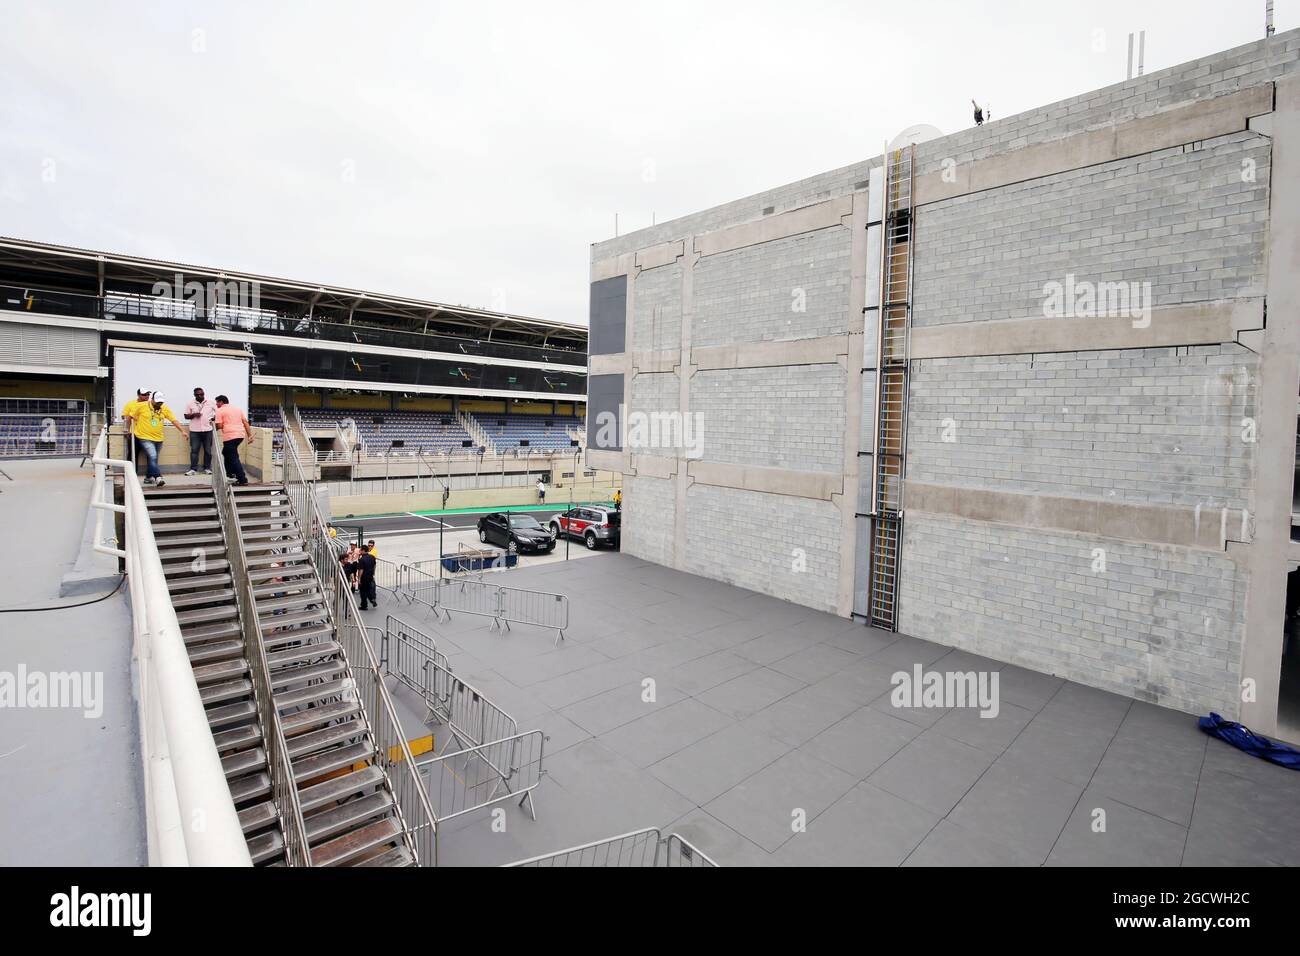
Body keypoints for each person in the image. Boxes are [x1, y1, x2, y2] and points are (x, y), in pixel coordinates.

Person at [123, 389, 186, 487]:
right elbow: (129, 417)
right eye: (157, 402)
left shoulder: (164, 408)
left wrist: (183, 431)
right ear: (152, 399)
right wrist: (127, 429)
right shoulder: (141, 406)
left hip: (158, 438)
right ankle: (158, 477)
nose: (159, 404)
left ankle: (148, 477)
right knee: (152, 456)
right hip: (144, 437)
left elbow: (173, 420)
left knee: (154, 459)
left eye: (161, 402)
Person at [213, 394, 253, 486]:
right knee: (226, 453)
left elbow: (219, 426)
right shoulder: (237, 409)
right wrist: (250, 435)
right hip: (240, 435)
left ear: (221, 402)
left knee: (233, 457)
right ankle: (230, 474)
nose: (216, 405)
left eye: (217, 402)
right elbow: (245, 422)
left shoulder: (220, 410)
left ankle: (242, 479)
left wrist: (213, 425)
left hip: (230, 436)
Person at [182, 386, 217, 476]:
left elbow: (218, 412)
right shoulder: (190, 403)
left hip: (207, 430)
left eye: (201, 394)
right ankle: (193, 469)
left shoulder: (210, 402)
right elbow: (186, 416)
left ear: (204, 394)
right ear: (194, 395)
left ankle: (207, 468)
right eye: (198, 394)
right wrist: (194, 415)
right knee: (194, 451)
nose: (200, 396)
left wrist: (214, 418)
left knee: (208, 451)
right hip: (195, 431)